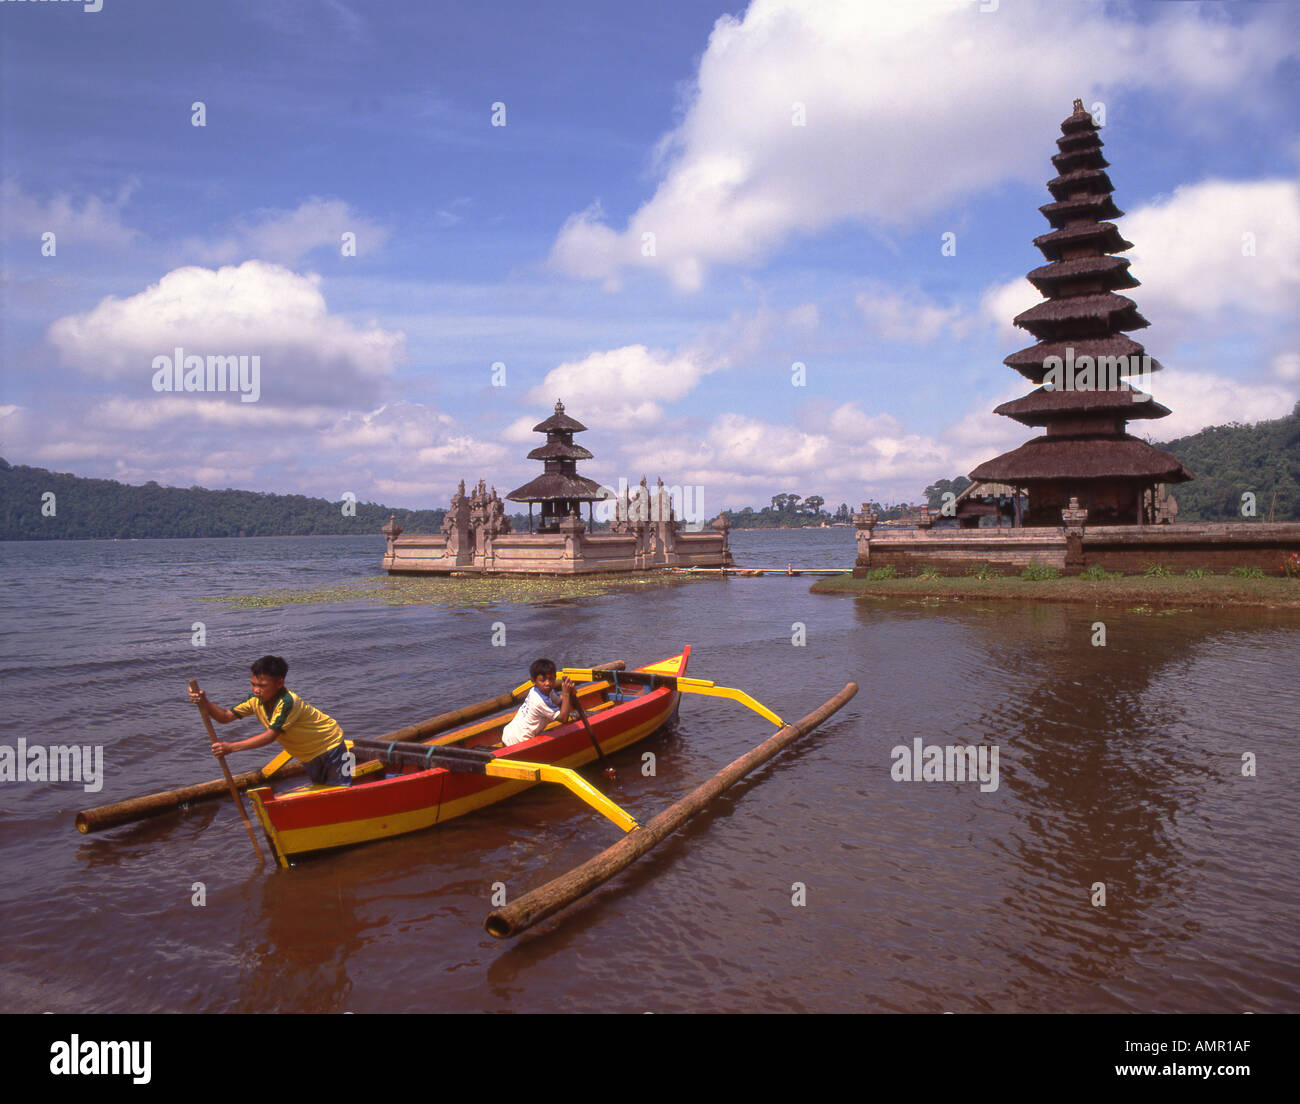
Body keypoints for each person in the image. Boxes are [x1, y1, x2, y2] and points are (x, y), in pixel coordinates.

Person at [189, 655, 352, 786]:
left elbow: (269, 736)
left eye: (262, 685)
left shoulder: (288, 702)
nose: (256, 690)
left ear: (279, 683)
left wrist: (231, 747)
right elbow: (225, 717)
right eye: (253, 684)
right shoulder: (254, 700)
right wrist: (205, 702)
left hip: (331, 745)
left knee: (339, 790)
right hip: (307, 754)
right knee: (321, 789)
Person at [501, 658, 574, 747]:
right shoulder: (539, 700)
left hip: (509, 734)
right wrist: (566, 694)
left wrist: (570, 694)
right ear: (533, 681)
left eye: (551, 679)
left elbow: (561, 704)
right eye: (542, 680)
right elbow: (564, 719)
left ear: (555, 678)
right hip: (517, 742)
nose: (547, 683)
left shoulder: (543, 691)